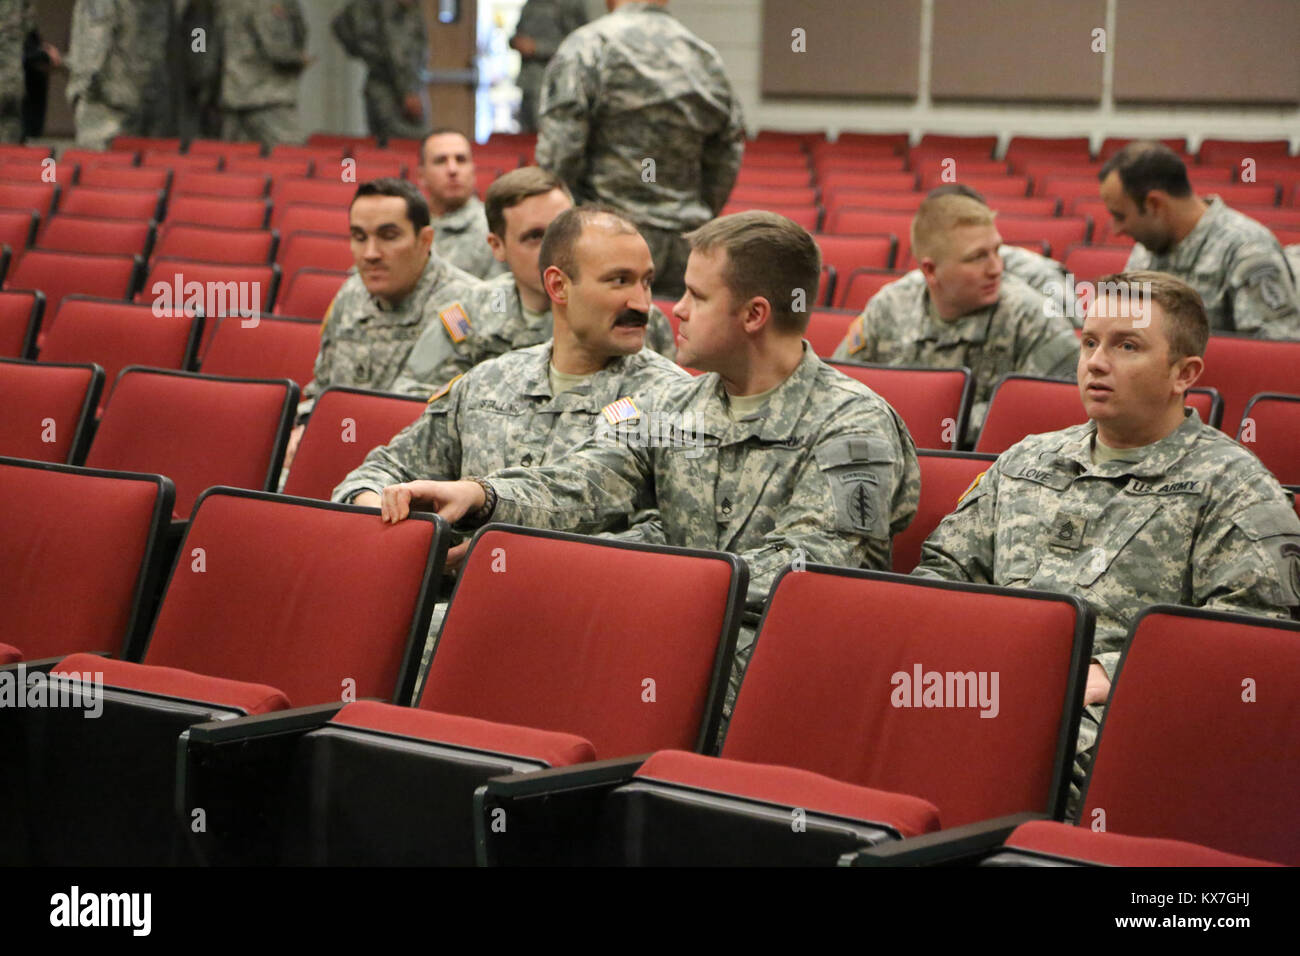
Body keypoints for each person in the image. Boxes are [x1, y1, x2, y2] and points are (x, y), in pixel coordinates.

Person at [378, 211, 921, 706]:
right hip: (660, 630)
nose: (674, 309)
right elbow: (583, 482)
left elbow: (814, 566)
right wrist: (482, 494)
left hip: (779, 667)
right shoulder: (666, 406)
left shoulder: (855, 428)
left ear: (754, 315)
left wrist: (642, 588)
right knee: (464, 637)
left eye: (695, 296)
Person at [913, 270, 1300, 810]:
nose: (1096, 362)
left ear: (1182, 373)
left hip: (1119, 719)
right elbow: (941, 575)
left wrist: (1111, 673)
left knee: (1009, 763)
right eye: (1090, 342)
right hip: (986, 686)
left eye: (1127, 346)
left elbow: (1253, 645)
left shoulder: (1236, 489)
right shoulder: (1026, 460)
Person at [334, 207, 690, 671]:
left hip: (577, 629)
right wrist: (399, 525)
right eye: (619, 281)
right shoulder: (489, 380)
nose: (643, 303)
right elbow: (378, 471)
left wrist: (508, 562)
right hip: (446, 611)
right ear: (559, 286)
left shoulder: (673, 399)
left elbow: (677, 539)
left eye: (646, 282)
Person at [391, 167, 676, 394]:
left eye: (564, 232)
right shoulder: (469, 312)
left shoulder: (634, 316)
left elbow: (670, 407)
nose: (555, 249)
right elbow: (412, 392)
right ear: (497, 246)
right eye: (535, 237)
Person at [832, 193, 1079, 446]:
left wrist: (922, 420)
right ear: (930, 270)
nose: (996, 268)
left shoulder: (1031, 317)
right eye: (978, 257)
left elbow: (1054, 417)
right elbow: (838, 392)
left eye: (996, 251)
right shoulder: (890, 307)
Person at [537, 0, 746, 298]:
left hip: (605, 242)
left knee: (603, 342)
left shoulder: (588, 45)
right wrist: (695, 210)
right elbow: (728, 151)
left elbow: (559, 153)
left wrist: (570, 226)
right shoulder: (704, 57)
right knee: (675, 340)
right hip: (684, 242)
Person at [285, 178, 478, 467]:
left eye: (388, 236)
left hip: (414, 472)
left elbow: (442, 422)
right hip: (335, 450)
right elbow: (321, 388)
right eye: (360, 237)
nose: (371, 253)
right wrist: (303, 427)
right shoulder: (350, 295)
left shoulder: (464, 307)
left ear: (425, 240)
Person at [1099, 141, 1300, 339]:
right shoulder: (1147, 247)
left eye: (1120, 216)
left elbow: (1273, 356)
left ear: (1154, 204)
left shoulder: (1248, 249)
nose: (1116, 230)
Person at [65, 0, 169, 150]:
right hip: (144, 98)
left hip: (105, 102)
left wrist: (79, 90)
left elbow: (94, 43)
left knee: (98, 166)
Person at [416, 129, 507, 280]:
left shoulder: (496, 226)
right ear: (421, 175)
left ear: (473, 170)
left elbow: (500, 296)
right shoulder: (410, 228)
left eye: (461, 159)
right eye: (440, 161)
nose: (453, 169)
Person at [217, 0, 309, 149]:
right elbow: (278, 50)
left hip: (233, 93)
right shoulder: (268, 4)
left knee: (235, 164)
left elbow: (201, 41)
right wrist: (300, 59)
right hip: (267, 96)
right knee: (294, 160)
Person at [332, 0, 427, 141]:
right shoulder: (386, 10)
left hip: (385, 86)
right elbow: (396, 54)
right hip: (394, 92)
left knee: (385, 142)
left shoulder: (407, 10)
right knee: (405, 145)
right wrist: (409, 91)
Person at [509, 0, 587, 132]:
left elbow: (576, 43)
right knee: (525, 136)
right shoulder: (531, 4)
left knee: (547, 133)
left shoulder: (568, 5)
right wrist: (515, 42)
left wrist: (537, 47)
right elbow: (517, 33)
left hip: (554, 84)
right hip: (528, 83)